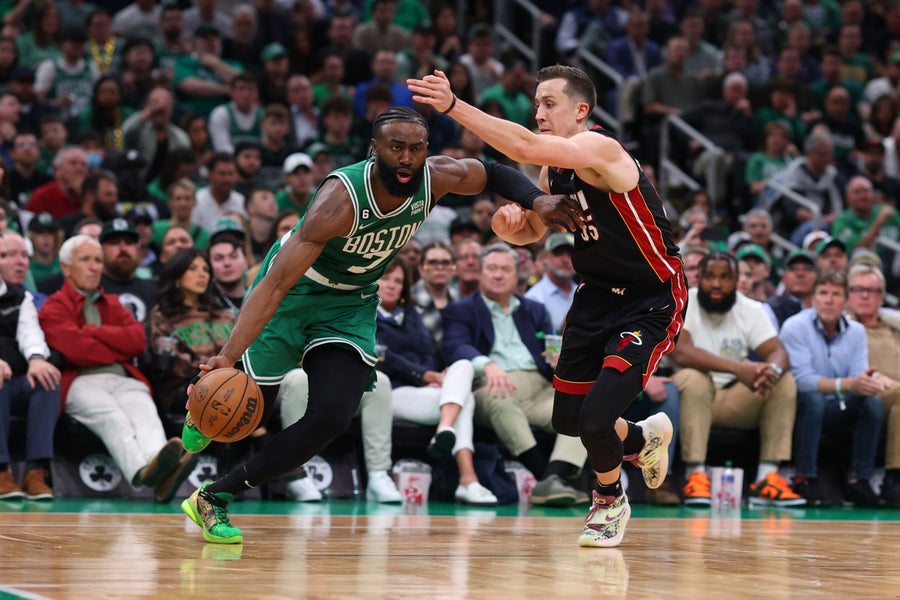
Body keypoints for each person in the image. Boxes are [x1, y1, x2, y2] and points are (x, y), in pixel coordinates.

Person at [178, 107, 584, 544]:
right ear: (374, 149)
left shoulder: (435, 177)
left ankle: (213, 497)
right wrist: (228, 356)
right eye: (396, 148)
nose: (407, 158)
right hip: (295, 291)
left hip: (349, 302)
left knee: (331, 417)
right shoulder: (340, 200)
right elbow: (275, 283)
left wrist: (536, 200)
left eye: (416, 148)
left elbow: (489, 172)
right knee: (246, 404)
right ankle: (203, 411)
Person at [408, 65, 683, 547]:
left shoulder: (601, 149)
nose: (538, 113)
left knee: (595, 420)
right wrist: (507, 226)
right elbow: (534, 233)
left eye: (549, 104)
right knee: (568, 420)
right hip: (595, 296)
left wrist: (453, 106)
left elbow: (522, 147)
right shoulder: (552, 170)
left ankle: (609, 500)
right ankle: (642, 438)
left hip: (650, 299)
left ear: (581, 110)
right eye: (536, 104)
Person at [39, 235, 195, 503]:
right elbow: (76, 350)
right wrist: (114, 346)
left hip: (123, 377)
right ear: (66, 267)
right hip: (80, 380)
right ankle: (143, 472)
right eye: (85, 260)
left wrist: (91, 331)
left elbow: (136, 341)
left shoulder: (113, 303)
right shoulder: (53, 306)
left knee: (144, 410)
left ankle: (160, 467)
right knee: (113, 418)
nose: (94, 267)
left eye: (98, 260)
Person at [670, 251, 804, 507]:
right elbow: (681, 352)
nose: (716, 284)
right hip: (690, 400)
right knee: (695, 379)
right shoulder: (685, 301)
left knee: (783, 381)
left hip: (733, 400)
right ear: (698, 277)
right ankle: (695, 475)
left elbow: (779, 353)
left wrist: (771, 371)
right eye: (709, 276)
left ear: (736, 280)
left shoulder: (751, 309)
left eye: (725, 277)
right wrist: (738, 368)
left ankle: (767, 478)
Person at [376, 258, 497, 505]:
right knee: (465, 399)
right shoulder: (364, 313)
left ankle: (445, 429)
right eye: (386, 278)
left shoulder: (409, 314)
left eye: (398, 281)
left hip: (423, 391)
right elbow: (384, 357)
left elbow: (429, 351)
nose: (392, 285)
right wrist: (424, 376)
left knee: (463, 366)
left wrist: (435, 377)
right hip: (389, 392)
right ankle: (468, 480)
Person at [781, 269, 886, 507]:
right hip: (799, 408)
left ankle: (859, 480)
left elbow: (858, 375)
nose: (829, 300)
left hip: (837, 407)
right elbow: (802, 380)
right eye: (823, 293)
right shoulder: (794, 327)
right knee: (813, 398)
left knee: (872, 402)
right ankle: (804, 477)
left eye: (836, 294)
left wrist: (869, 382)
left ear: (846, 301)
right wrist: (849, 384)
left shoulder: (856, 331)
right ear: (813, 298)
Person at [0, 234, 61, 501]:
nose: (19, 262)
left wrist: (37, 358)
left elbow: (30, 333)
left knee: (47, 380)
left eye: (24, 255)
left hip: (15, 380)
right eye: (7, 255)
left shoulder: (21, 297)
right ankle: (1, 469)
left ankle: (36, 470)